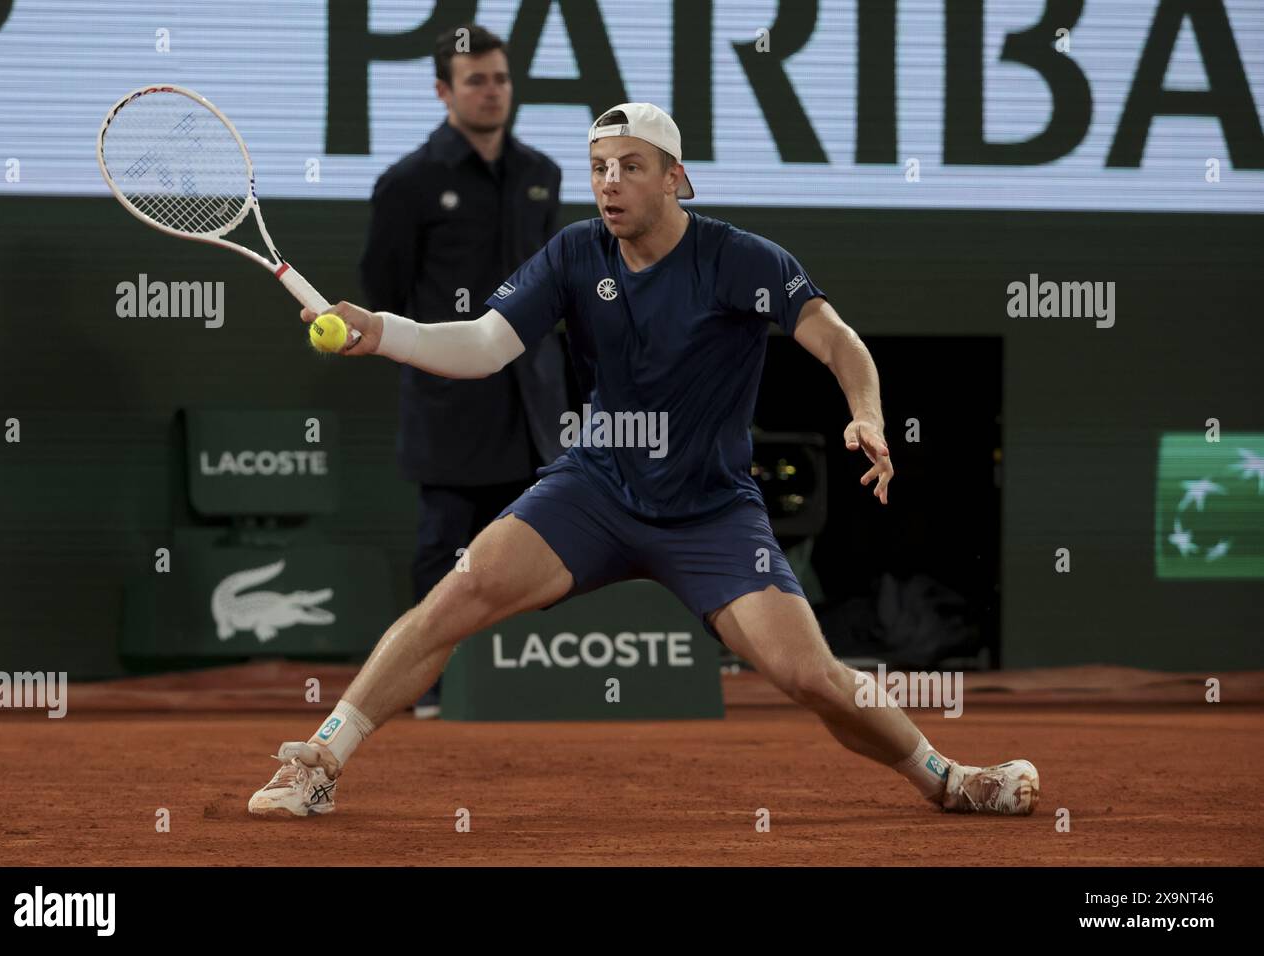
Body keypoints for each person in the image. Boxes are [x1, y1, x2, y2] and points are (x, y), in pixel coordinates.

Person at [249, 103, 1040, 819]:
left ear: (676, 178)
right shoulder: (572, 254)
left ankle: (946, 776)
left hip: (712, 511)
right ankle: (321, 759)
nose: (609, 182)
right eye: (598, 167)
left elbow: (836, 340)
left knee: (810, 676)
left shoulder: (740, 259)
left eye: (629, 166)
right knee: (458, 594)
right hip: (594, 487)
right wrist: (381, 329)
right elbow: (486, 346)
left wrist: (865, 412)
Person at [359, 24, 568, 718]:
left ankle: (511, 685)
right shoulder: (408, 184)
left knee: (531, 554)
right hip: (449, 405)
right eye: (475, 80)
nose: (491, 91)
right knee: (444, 553)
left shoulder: (543, 175)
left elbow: (556, 291)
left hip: (533, 406)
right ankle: (432, 691)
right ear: (444, 91)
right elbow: (385, 293)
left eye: (500, 78)